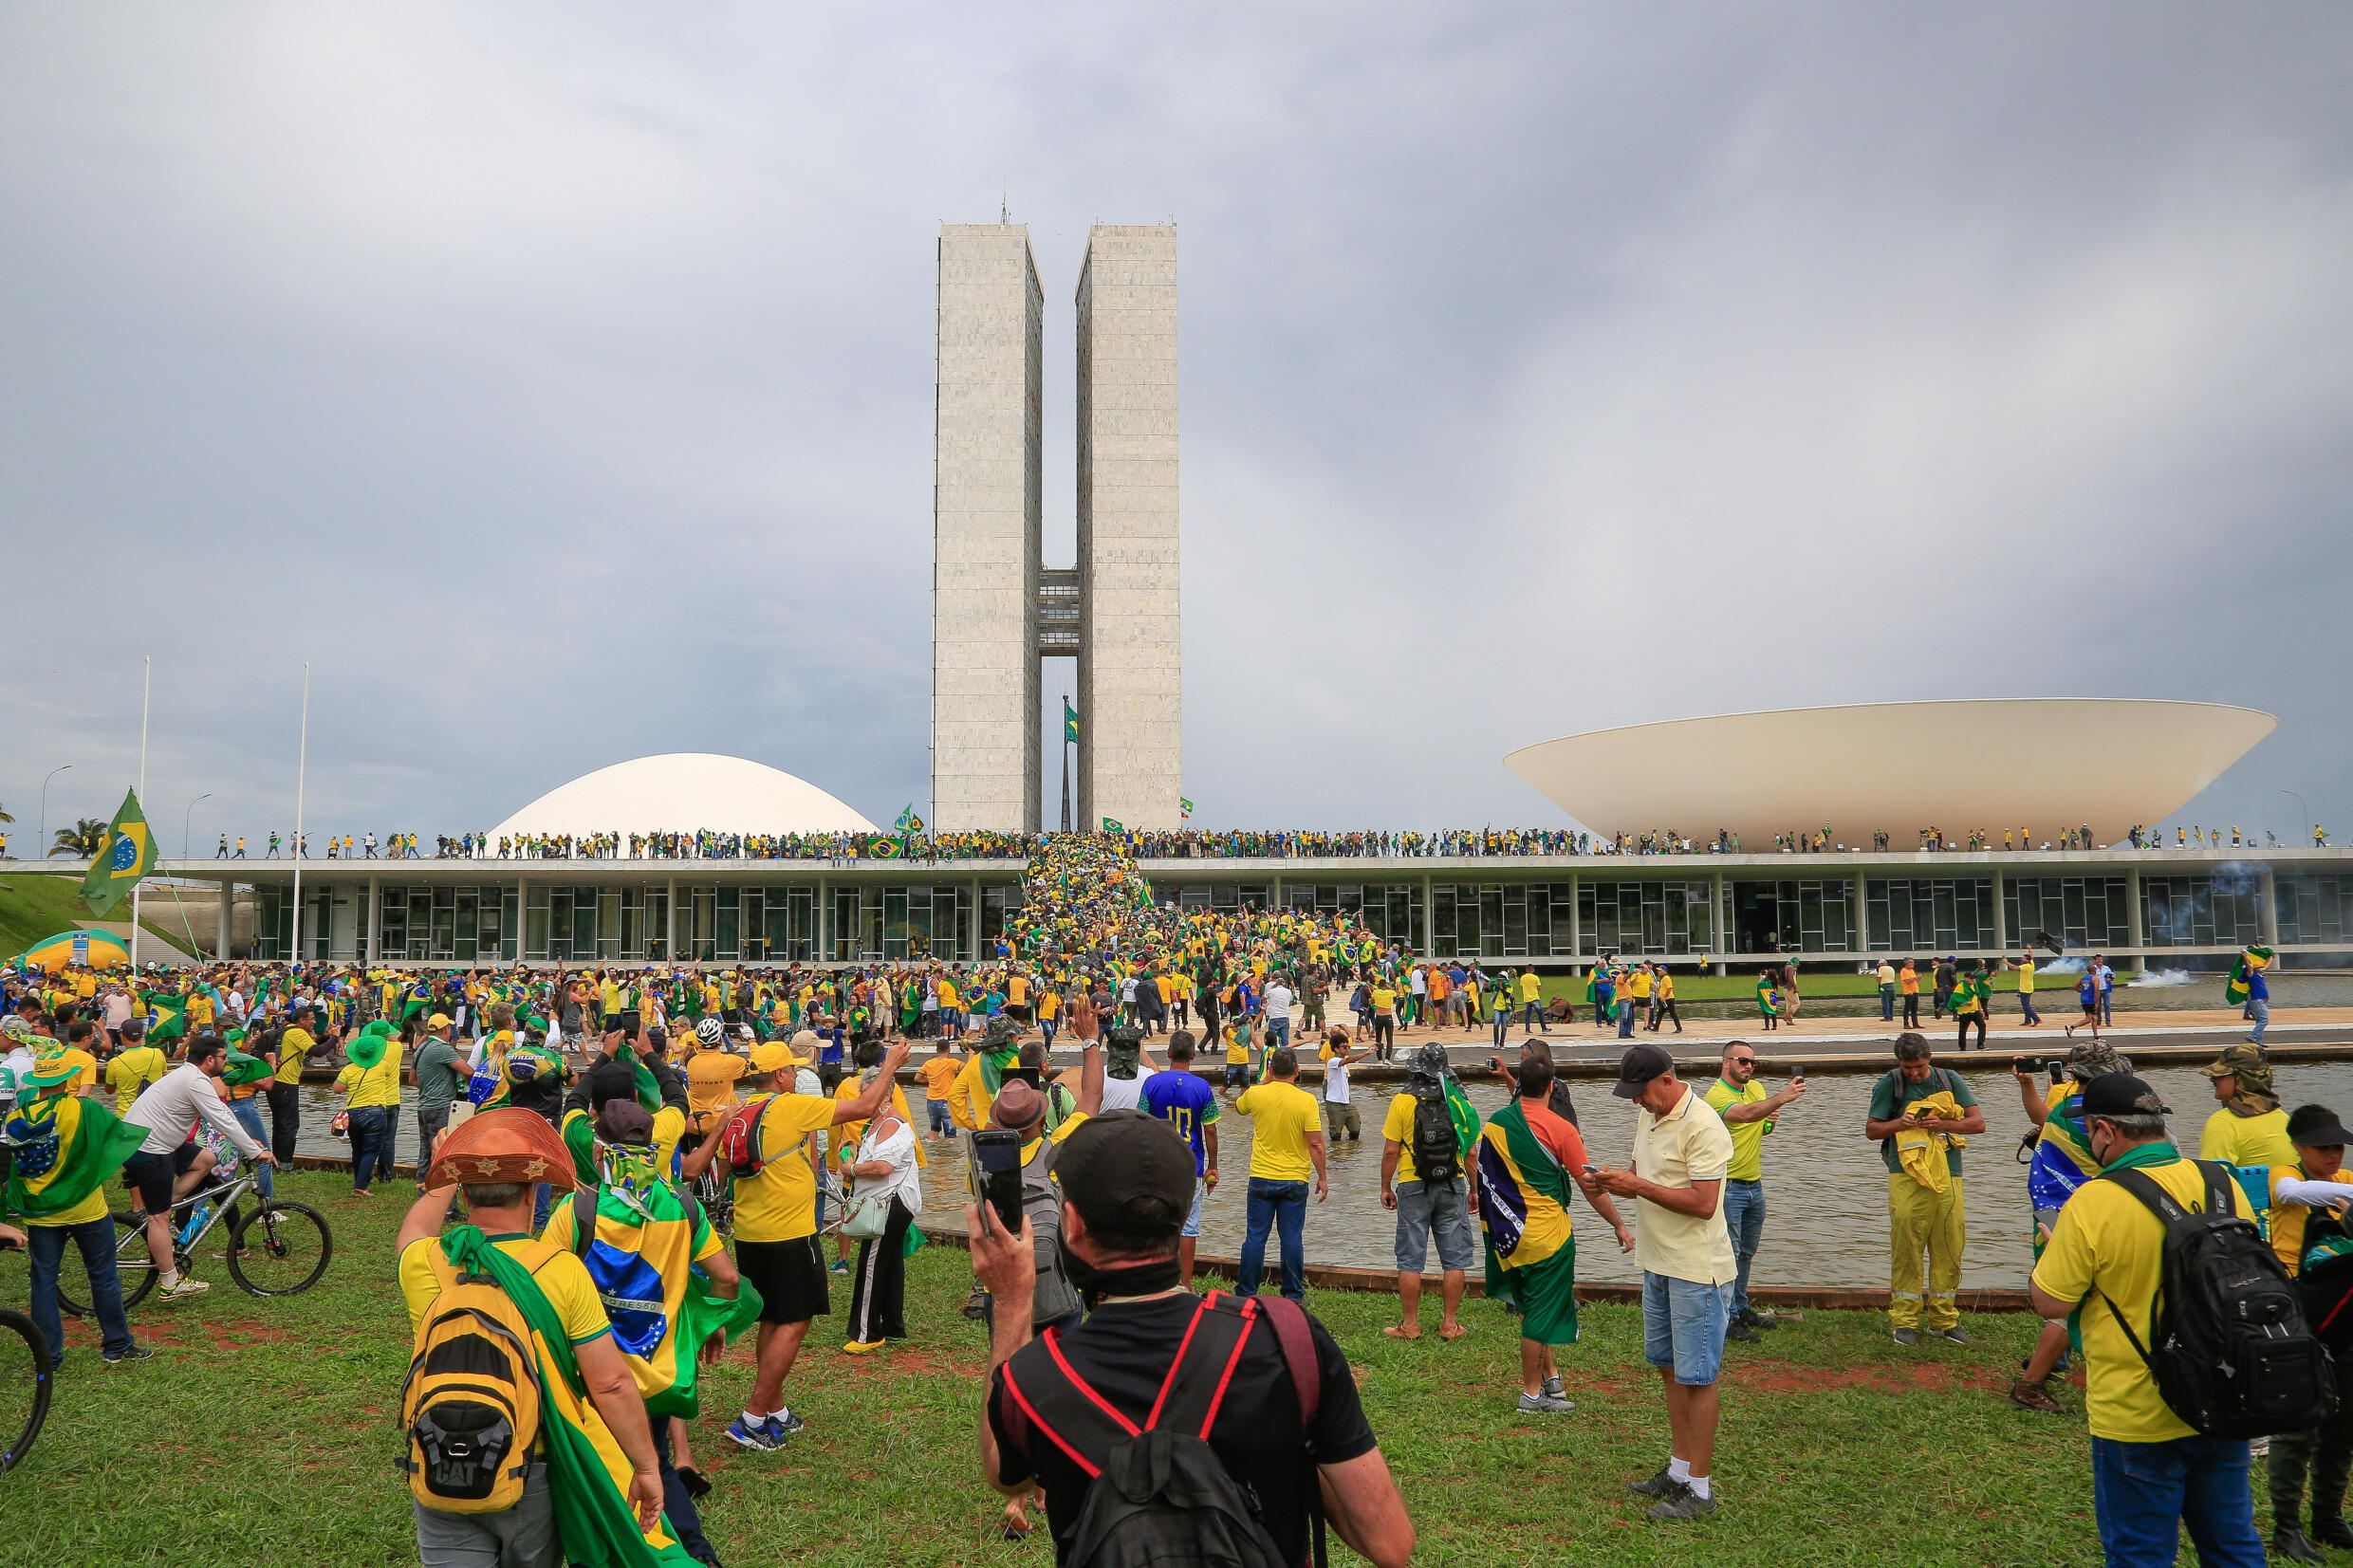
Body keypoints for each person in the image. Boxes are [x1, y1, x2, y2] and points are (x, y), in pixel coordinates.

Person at [973, 1110, 1415, 1568]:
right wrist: (1292, 1437)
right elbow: (1391, 1544)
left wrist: (1012, 1300)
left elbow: (1006, 1476)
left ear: (1073, 1226)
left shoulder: (1035, 1376)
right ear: (1183, 1216)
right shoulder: (1287, 1338)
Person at [395, 1110, 676, 1568]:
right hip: (530, 1464)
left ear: (463, 1193)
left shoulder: (426, 1261)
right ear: (532, 1193)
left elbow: (413, 1231)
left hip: (438, 1455)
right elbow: (610, 1384)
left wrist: (443, 1170)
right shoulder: (561, 1269)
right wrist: (646, 1467)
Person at [2029, 1073, 2268, 1568]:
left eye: (2090, 1133)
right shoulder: (2222, 1184)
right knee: (2232, 1544)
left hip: (2137, 1410)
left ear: (2106, 1130)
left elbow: (2050, 1303)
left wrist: (2053, 1249)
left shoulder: (2094, 1200)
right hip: (2224, 1395)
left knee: (2140, 1553)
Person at [541, 1097, 750, 1567]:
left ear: (599, 1151)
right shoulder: (683, 1206)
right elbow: (728, 1278)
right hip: (658, 1375)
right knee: (653, 1463)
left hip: (591, 1376)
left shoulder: (578, 1209)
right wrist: (710, 1322)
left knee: (594, 1472)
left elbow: (542, 1283)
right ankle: (696, 1555)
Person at [678, 1034, 909, 1451]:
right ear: (783, 1075)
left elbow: (721, 1171)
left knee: (773, 1319)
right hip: (790, 1234)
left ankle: (776, 1409)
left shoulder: (738, 1112)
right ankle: (752, 1418)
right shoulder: (793, 1106)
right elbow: (864, 1106)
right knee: (796, 1320)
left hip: (750, 1234)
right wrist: (890, 1063)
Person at [1593, 1042, 1738, 1521]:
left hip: (1697, 1269)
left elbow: (1704, 1204)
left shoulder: (1704, 1126)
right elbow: (1643, 1176)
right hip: (1657, 1262)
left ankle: (1701, 1488)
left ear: (1667, 1081)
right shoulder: (1650, 1116)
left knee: (1698, 1378)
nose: (1637, 1100)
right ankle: (1679, 1470)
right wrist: (1612, 1180)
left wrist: (1634, 1185)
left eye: (1641, 1091)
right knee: (1669, 1369)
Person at [1478, 1042, 1633, 1415]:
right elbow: (1590, 1187)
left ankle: (1552, 1380)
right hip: (1548, 1237)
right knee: (1540, 1313)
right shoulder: (1562, 1130)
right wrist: (1619, 1224)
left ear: (1518, 1084)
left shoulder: (1496, 1123)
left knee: (1531, 1307)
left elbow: (1483, 1174)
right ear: (1551, 1087)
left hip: (1507, 1234)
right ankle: (1532, 1396)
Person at [2, 1043, 151, 1370]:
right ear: (67, 1078)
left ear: (37, 1081)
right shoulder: (84, 1109)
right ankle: (117, 1345)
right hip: (87, 1208)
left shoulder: (17, 1117)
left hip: (41, 1212)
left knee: (43, 1281)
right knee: (103, 1275)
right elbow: (117, 1138)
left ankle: (48, 1356)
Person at [2008, 1038, 2134, 1414]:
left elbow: (2043, 1121)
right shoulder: (2096, 1119)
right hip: (2078, 1218)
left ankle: (2047, 1369)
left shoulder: (2066, 1107)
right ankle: (2031, 1385)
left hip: (2051, 1213)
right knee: (2079, 1299)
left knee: (2076, 1296)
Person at [2261, 1103, 2353, 1560]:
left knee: (2344, 1422)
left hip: (2344, 1311)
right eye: (2322, 1147)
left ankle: (2328, 1518)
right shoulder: (2285, 1175)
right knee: (2298, 1425)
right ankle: (2286, 1526)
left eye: (2338, 1146)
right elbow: (2292, 1192)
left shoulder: (2346, 1179)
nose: (2333, 1155)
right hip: (2296, 1307)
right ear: (2298, 1147)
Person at [122, 1032, 274, 1301]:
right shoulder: (195, 1081)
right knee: (159, 1218)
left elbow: (223, 1116)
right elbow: (221, 1118)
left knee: (206, 1160)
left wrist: (248, 1140)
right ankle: (170, 1283)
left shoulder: (189, 1074)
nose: (227, 1062)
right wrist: (256, 1151)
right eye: (224, 1057)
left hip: (153, 1140)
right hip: (148, 1148)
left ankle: (168, 1204)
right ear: (209, 1060)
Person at [1864, 1033, 1984, 1345]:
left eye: (1919, 1066)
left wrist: (1942, 1124)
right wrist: (1900, 1124)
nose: (1915, 1073)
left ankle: (1943, 1321)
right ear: (1899, 1064)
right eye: (1908, 1068)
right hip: (1906, 1176)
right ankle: (1904, 1322)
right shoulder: (1890, 1084)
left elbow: (1977, 1123)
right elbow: (1872, 1130)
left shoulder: (1949, 1079)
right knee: (1907, 1247)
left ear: (1929, 1058)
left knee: (1950, 1245)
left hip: (1949, 1174)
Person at [1701, 1041, 1806, 1340]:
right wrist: (1782, 1098)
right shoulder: (1716, 1095)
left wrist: (1771, 1120)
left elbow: (1761, 1127)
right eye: (1743, 1061)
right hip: (1728, 1186)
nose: (1749, 1066)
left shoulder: (1757, 1089)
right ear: (1726, 1062)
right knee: (1729, 1254)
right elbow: (1745, 1115)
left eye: (1753, 1062)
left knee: (1746, 1252)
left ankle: (1740, 1306)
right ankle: (1727, 1318)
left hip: (1753, 1184)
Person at [1380, 1042, 1478, 1341]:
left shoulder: (1402, 1101)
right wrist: (1474, 1189)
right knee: (1455, 1258)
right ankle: (1449, 1324)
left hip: (1412, 1184)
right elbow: (1471, 1153)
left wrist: (1385, 1186)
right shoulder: (1459, 1101)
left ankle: (1410, 1325)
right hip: (1452, 1183)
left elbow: (1391, 1151)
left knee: (1410, 1258)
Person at [841, 1055, 922, 1354]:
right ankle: (892, 1325)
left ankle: (868, 1334)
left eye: (867, 1093)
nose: (863, 1099)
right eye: (863, 1094)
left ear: (885, 1095)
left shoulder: (892, 1123)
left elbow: (883, 1167)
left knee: (871, 1265)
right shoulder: (877, 1122)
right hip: (886, 1202)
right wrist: (852, 1151)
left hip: (890, 1204)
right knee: (889, 1263)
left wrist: (851, 1169)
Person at [1233, 1045, 1325, 1301]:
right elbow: (1316, 1144)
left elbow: (1239, 1107)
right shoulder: (1307, 1100)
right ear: (1297, 1071)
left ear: (1271, 1069)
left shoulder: (1255, 1094)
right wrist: (1323, 1177)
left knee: (1255, 1236)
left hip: (1261, 1176)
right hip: (1295, 1178)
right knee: (1291, 1238)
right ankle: (1293, 1293)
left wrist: (1264, 1080)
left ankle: (1246, 1291)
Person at [1139, 1030, 1219, 1288]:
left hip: (1158, 1163)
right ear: (1193, 1056)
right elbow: (1210, 1130)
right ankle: (1185, 1284)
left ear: (1169, 1053)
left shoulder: (1152, 1084)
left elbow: (1141, 1123)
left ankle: (1154, 1282)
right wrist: (1213, 1166)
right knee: (1188, 1227)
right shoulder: (1202, 1087)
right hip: (1190, 1165)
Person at [2197, 1044, 2296, 1171]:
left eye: (2220, 1075)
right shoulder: (2285, 1119)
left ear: (2243, 1079)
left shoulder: (2223, 1123)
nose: (2213, 1079)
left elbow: (2213, 1177)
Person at [410, 1013, 469, 1193]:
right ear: (446, 1030)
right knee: (443, 1154)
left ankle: (423, 1193)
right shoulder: (443, 1048)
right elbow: (468, 1071)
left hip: (424, 1107)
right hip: (441, 1107)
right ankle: (445, 1201)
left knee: (426, 1152)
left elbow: (412, 1080)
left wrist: (431, 1085)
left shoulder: (421, 1047)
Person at [1320, 1026, 1367, 1143]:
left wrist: (1349, 1098)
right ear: (1336, 1049)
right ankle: (1336, 1153)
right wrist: (1367, 1052)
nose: (1347, 1049)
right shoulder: (1333, 1061)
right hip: (1334, 1103)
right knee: (1335, 1135)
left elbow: (1344, 1083)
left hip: (1347, 1102)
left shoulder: (1344, 1065)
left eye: (1348, 1047)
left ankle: (1351, 1151)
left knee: (1355, 1130)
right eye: (1344, 1047)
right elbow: (1348, 1060)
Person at [918, 1039, 962, 1137]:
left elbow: (917, 1078)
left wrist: (932, 1079)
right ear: (949, 1050)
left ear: (937, 1050)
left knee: (934, 1130)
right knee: (951, 1135)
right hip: (946, 1102)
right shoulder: (952, 1062)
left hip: (931, 1102)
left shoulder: (929, 1063)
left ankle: (931, 1146)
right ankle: (950, 1148)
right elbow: (966, 1068)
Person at [2015, 950, 2042, 1025]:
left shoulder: (2026, 966)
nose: (2022, 959)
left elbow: (2015, 968)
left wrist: (2006, 962)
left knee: (2026, 1006)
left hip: (2025, 989)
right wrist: (2030, 949)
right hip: (2028, 988)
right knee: (2025, 1006)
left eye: (2023, 958)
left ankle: (2036, 1019)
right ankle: (2027, 1021)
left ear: (2027, 960)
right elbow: (2031, 957)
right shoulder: (2031, 963)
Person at [1877, 958, 1898, 1023]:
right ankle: (1891, 1016)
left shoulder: (1881, 968)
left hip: (1884, 986)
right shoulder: (1891, 968)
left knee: (1885, 1002)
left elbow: (1879, 978)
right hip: (1892, 986)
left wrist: (1877, 978)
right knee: (1890, 1002)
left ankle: (1887, 1017)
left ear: (1881, 964)